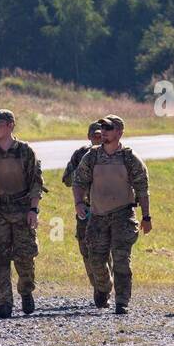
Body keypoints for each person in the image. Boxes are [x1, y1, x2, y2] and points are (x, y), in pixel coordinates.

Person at [71, 115, 151, 315]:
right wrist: (79, 203)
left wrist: (147, 217)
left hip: (123, 216)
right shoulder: (92, 156)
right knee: (96, 259)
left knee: (121, 259)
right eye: (102, 127)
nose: (104, 131)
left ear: (119, 132)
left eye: (109, 127)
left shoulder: (129, 158)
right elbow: (79, 181)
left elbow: (142, 188)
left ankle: (121, 301)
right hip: (97, 216)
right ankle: (104, 287)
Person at [0, 109, 45, 319]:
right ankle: (4, 303)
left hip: (22, 209)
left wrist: (33, 209)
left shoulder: (25, 151)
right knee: (0, 258)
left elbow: (36, 182)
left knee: (25, 257)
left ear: (10, 125)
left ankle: (26, 291)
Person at [63, 121, 106, 301]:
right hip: (86, 210)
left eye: (100, 135)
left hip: (107, 209)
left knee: (105, 250)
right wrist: (82, 174)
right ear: (88, 137)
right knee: (86, 250)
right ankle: (97, 286)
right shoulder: (80, 154)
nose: (98, 139)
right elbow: (66, 179)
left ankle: (105, 286)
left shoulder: (114, 154)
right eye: (94, 136)